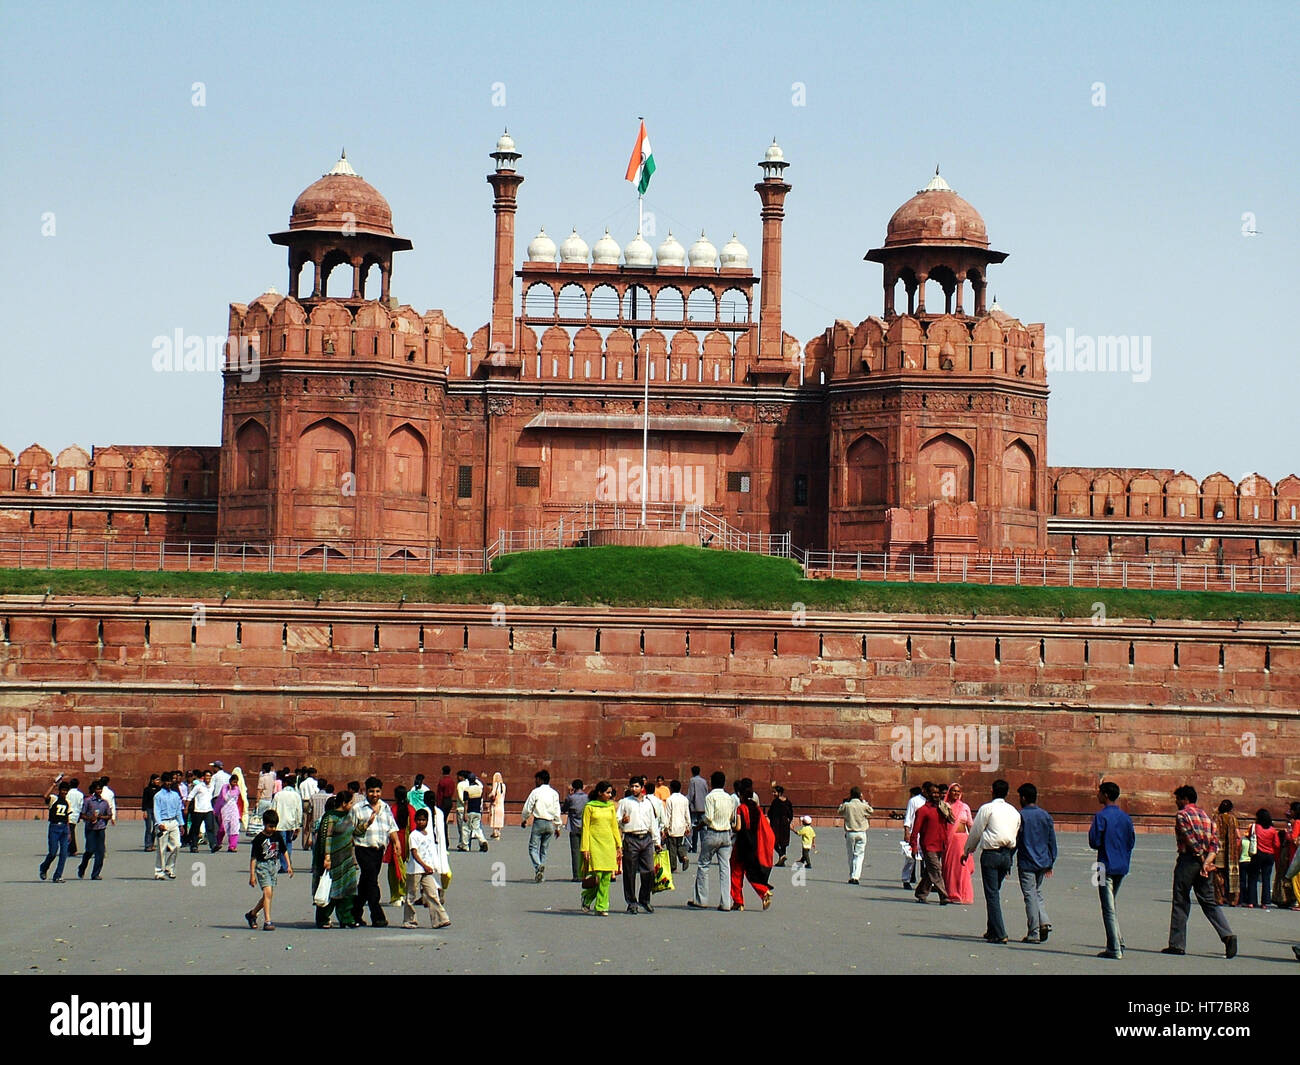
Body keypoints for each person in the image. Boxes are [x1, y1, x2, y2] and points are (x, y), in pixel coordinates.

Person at [1163, 784, 1237, 959]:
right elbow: (1215, 843)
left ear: (1184, 799)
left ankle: (1177, 944)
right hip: (1206, 863)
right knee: (1209, 902)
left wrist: (1202, 860)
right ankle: (1227, 935)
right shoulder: (1206, 816)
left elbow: (1191, 841)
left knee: (1181, 901)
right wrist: (1207, 862)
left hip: (1189, 861)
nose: (1176, 802)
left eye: (1177, 799)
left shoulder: (1182, 815)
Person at [962, 779, 1021, 943]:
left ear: (992, 791)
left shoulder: (987, 808)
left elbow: (976, 831)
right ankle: (992, 929)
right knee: (995, 891)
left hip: (991, 854)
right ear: (1007, 793)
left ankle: (1000, 933)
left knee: (992, 894)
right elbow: (1015, 833)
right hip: (1006, 855)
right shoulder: (1014, 812)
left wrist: (967, 851)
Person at [1088, 780, 1136, 959]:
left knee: (1107, 906)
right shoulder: (1125, 817)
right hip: (1122, 864)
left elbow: (1094, 842)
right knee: (1111, 903)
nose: (1097, 795)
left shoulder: (1101, 816)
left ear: (1105, 795)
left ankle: (1114, 947)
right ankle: (1118, 939)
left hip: (1103, 865)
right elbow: (1131, 841)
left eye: (1099, 792)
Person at [351, 776, 402, 928]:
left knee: (365, 882)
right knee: (372, 881)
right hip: (363, 848)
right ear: (366, 791)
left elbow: (391, 827)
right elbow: (351, 830)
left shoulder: (385, 808)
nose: (375, 794)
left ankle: (354, 913)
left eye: (377, 791)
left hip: (378, 850)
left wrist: (397, 842)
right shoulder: (358, 808)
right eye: (371, 791)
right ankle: (377, 915)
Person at [1016, 782, 1057, 943]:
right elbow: (1051, 840)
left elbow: (1016, 839)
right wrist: (1051, 861)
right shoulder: (1045, 815)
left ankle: (1033, 931)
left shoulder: (1022, 816)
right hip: (1043, 860)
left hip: (1027, 861)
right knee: (1037, 892)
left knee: (1030, 895)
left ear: (1024, 798)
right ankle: (1044, 921)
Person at [689, 771, 735, 911]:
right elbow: (732, 817)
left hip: (712, 833)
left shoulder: (710, 797)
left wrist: (699, 826)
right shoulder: (729, 798)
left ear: (712, 782)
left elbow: (708, 817)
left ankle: (701, 900)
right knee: (725, 868)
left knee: (703, 865)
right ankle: (726, 902)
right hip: (726, 834)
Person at [617, 776, 662, 914]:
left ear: (642, 787)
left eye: (637, 786)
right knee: (630, 873)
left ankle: (644, 899)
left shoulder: (648, 803)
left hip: (646, 838)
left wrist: (657, 841)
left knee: (649, 871)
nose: (634, 789)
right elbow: (617, 819)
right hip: (631, 838)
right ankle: (631, 902)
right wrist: (622, 821)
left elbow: (653, 823)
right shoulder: (625, 802)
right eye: (632, 786)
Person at [402, 808, 451, 929]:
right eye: (418, 820)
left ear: (427, 821)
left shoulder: (429, 834)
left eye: (423, 820)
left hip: (427, 871)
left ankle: (440, 919)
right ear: (415, 821)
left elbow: (431, 852)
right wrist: (425, 865)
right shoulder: (414, 835)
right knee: (411, 896)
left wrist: (433, 865)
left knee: (432, 894)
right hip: (415, 870)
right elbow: (414, 853)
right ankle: (409, 920)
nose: (421, 822)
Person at [244, 808, 292, 931]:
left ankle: (252, 914)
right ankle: (267, 921)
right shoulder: (259, 839)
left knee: (268, 895)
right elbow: (253, 858)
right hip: (262, 866)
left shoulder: (277, 836)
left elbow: (284, 851)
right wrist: (252, 875)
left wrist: (289, 865)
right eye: (270, 826)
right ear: (264, 824)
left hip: (273, 866)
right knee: (268, 893)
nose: (273, 829)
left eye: (274, 826)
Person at [730, 779, 774, 910]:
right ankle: (763, 891)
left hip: (742, 844)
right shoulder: (757, 809)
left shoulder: (741, 808)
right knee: (751, 872)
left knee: (736, 872)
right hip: (754, 844)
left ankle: (738, 901)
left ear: (741, 795)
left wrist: (731, 826)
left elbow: (738, 827)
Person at [580, 781, 622, 916]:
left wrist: (618, 845)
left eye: (611, 793)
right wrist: (585, 848)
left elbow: (614, 827)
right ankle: (587, 896)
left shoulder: (610, 807)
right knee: (597, 876)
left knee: (606, 877)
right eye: (607, 792)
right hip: (594, 844)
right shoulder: (589, 807)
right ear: (599, 793)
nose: (610, 795)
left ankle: (601, 906)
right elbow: (585, 828)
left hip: (608, 844)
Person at [319, 790, 360, 929]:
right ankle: (323, 918)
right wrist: (327, 856)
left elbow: (355, 832)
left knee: (348, 890)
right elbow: (326, 837)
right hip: (332, 860)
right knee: (330, 889)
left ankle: (346, 918)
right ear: (343, 803)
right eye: (350, 803)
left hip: (347, 859)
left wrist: (367, 823)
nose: (352, 805)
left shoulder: (348, 817)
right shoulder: (330, 818)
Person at [910, 783, 950, 903]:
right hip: (928, 845)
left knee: (930, 871)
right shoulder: (923, 811)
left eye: (937, 793)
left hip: (940, 844)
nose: (936, 795)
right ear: (927, 794)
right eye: (933, 793)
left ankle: (921, 893)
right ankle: (943, 895)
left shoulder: (942, 809)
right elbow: (915, 830)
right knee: (936, 869)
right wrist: (913, 846)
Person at [519, 769, 561, 881]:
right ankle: (540, 875)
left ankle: (538, 866)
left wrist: (524, 819)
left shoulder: (536, 792)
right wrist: (558, 827)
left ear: (540, 780)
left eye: (536, 779)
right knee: (544, 850)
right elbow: (557, 810)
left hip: (539, 822)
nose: (535, 782)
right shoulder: (554, 793)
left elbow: (528, 807)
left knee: (533, 848)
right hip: (550, 823)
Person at [941, 783, 975, 904]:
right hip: (950, 841)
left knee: (962, 868)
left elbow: (970, 824)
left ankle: (964, 894)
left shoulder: (964, 807)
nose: (956, 793)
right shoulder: (944, 806)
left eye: (958, 791)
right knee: (950, 868)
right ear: (949, 792)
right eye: (953, 791)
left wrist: (973, 842)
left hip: (962, 841)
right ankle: (952, 894)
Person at [837, 786, 874, 885]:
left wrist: (845, 802)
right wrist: (864, 801)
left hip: (850, 832)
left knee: (851, 855)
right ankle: (855, 876)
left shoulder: (847, 805)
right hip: (862, 832)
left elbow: (839, 811)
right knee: (859, 855)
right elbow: (871, 811)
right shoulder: (863, 805)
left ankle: (852, 875)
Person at [152, 771, 185, 881]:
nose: (169, 783)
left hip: (174, 822)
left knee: (177, 846)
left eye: (170, 781)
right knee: (161, 849)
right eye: (166, 781)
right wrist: (159, 823)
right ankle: (159, 871)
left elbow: (178, 810)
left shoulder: (175, 795)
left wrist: (181, 824)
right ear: (163, 782)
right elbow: (156, 810)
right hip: (163, 823)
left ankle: (169, 868)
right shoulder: (158, 796)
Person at [77, 779, 112, 880]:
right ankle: (82, 866)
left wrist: (102, 817)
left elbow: (109, 815)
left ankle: (95, 873)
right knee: (90, 850)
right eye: (97, 789)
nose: (99, 791)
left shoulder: (105, 803)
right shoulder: (88, 801)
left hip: (101, 828)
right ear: (93, 790)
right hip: (90, 829)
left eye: (100, 789)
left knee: (100, 852)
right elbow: (82, 815)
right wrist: (90, 818)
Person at [39, 778, 72, 883]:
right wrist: (53, 785)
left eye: (66, 790)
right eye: (63, 790)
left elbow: (67, 818)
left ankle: (58, 875)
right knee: (53, 852)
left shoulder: (68, 802)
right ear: (60, 790)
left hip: (64, 829)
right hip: (54, 827)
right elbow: (45, 796)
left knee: (63, 854)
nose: (64, 792)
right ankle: (44, 867)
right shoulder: (54, 799)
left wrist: (69, 832)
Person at [1244, 808, 1279, 908]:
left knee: (1253, 877)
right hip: (1269, 855)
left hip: (1257, 854)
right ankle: (1265, 902)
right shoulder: (1273, 830)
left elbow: (1250, 836)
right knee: (1266, 878)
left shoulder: (1255, 827)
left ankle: (1251, 901)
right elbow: (1277, 844)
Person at [272, 771, 303, 874]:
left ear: (284, 784)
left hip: (280, 823)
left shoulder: (278, 795)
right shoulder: (296, 796)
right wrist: (298, 825)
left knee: (282, 844)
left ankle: (285, 865)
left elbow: (273, 809)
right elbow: (299, 811)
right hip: (291, 823)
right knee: (288, 844)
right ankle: (287, 863)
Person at [1212, 799, 1242, 907]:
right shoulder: (1232, 819)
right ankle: (1233, 899)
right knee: (1231, 874)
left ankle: (1219, 897)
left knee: (1218, 874)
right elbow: (1238, 835)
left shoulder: (1216, 818)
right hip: (1231, 850)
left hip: (1219, 850)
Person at [385, 785, 412, 905]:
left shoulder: (393, 809)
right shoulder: (411, 809)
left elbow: (388, 826)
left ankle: (396, 896)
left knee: (393, 869)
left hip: (395, 840)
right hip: (407, 840)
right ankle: (404, 893)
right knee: (404, 867)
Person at [562, 780, 588, 882]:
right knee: (585, 852)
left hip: (573, 827)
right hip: (585, 827)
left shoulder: (571, 798)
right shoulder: (587, 798)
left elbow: (564, 809)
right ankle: (585, 873)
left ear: (573, 787)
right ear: (583, 787)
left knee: (575, 852)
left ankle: (577, 875)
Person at [664, 779, 691, 872]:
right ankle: (684, 857)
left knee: (672, 847)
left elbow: (668, 815)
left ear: (671, 788)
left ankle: (673, 866)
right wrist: (688, 825)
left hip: (672, 826)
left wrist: (665, 827)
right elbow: (687, 813)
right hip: (681, 826)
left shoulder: (669, 800)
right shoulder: (684, 799)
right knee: (680, 845)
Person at [188, 769, 218, 853]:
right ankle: (194, 846)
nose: (208, 778)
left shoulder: (212, 786)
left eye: (209, 776)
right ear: (203, 777)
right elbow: (190, 796)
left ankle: (213, 845)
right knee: (196, 829)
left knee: (210, 828)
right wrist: (186, 807)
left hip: (208, 810)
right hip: (198, 810)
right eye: (206, 776)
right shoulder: (199, 786)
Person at [900, 785, 925, 888]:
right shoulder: (914, 801)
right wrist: (907, 832)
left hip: (926, 833)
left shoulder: (932, 802)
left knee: (928, 859)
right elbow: (908, 817)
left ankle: (928, 882)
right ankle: (906, 879)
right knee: (910, 857)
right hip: (914, 832)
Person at [767, 785, 794, 867]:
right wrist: (789, 820)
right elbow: (791, 813)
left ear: (779, 793)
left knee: (774, 841)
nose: (773, 794)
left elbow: (770, 813)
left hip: (777, 823)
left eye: (774, 792)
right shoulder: (788, 802)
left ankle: (781, 855)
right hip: (785, 823)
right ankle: (782, 859)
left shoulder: (776, 802)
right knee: (783, 842)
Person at [217, 770, 243, 852]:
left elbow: (237, 799)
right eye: (233, 782)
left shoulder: (237, 789)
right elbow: (225, 798)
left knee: (234, 826)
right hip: (225, 808)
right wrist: (230, 789)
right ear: (230, 781)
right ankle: (218, 842)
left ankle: (232, 846)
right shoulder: (225, 787)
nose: (234, 784)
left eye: (236, 782)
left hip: (233, 809)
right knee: (223, 827)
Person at [686, 766, 708, 854]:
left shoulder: (692, 780)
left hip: (695, 807)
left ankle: (692, 846)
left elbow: (691, 794)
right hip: (703, 806)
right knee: (703, 828)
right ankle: (704, 846)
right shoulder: (704, 781)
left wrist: (687, 802)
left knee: (693, 827)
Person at [141, 774, 162, 852]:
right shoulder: (147, 789)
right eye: (156, 780)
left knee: (155, 827)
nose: (158, 782)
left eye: (159, 780)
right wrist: (144, 811)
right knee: (148, 827)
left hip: (157, 810)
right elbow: (144, 801)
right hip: (149, 809)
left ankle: (152, 843)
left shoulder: (160, 789)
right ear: (152, 780)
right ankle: (147, 845)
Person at [65, 778, 83, 857]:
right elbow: (80, 805)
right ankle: (70, 849)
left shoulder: (67, 793)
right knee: (71, 831)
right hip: (76, 814)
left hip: (68, 813)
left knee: (70, 832)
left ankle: (73, 849)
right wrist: (80, 815)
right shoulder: (80, 794)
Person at [488, 771, 506, 840]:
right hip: (501, 804)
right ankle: (498, 832)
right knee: (500, 819)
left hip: (496, 803)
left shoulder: (495, 784)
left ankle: (495, 832)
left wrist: (489, 795)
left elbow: (493, 793)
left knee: (495, 818)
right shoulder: (504, 786)